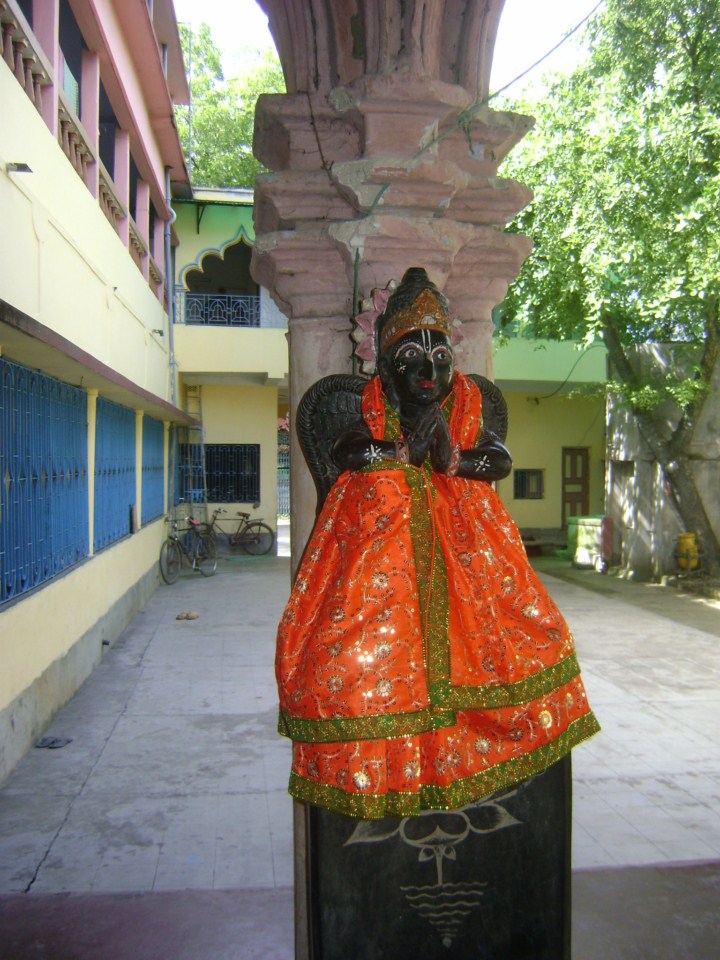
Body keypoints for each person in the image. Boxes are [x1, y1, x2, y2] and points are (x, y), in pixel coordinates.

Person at [276, 267, 599, 819]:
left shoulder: (471, 409)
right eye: (410, 360)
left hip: (474, 566)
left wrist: (453, 461)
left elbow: (499, 460)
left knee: (529, 644)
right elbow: (352, 452)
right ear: (384, 367)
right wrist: (401, 456)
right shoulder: (373, 410)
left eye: (441, 357)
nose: (429, 370)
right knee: (344, 668)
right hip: (382, 574)